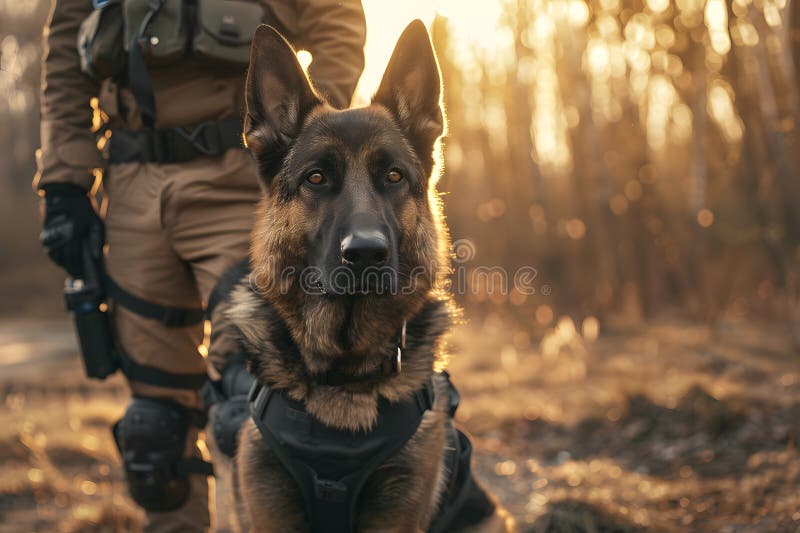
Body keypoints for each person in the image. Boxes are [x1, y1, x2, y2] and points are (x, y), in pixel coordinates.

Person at [35, 1, 366, 531]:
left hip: (244, 175)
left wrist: (311, 135)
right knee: (153, 429)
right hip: (131, 179)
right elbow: (64, 47)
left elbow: (336, 15)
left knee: (257, 397)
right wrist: (63, 179)